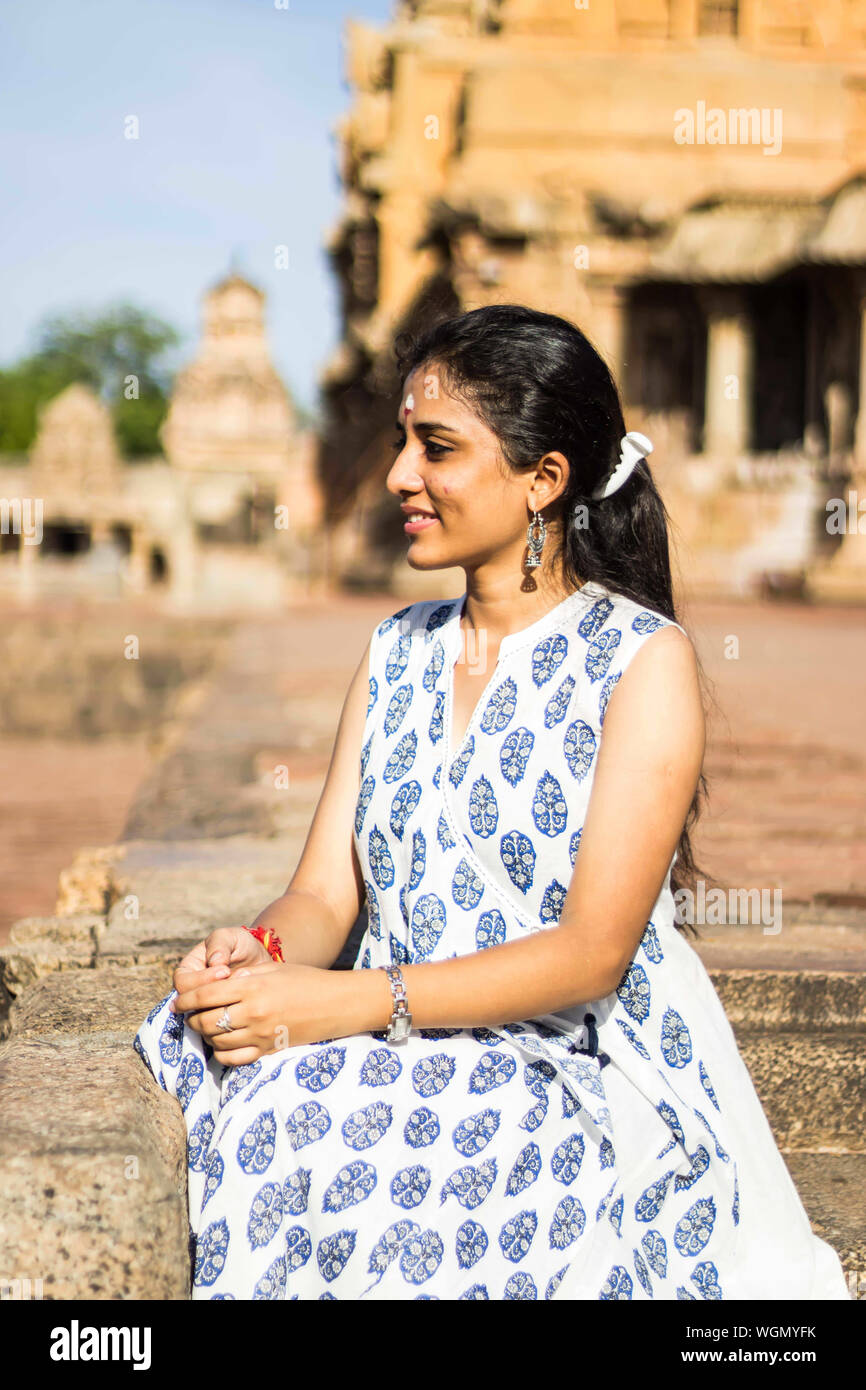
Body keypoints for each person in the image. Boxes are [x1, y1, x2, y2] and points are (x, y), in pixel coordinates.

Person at [134, 304, 850, 1301]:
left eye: (436, 448)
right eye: (399, 444)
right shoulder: (395, 649)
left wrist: (342, 1003)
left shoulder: (639, 662)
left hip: (565, 1057)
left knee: (324, 1130)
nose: (398, 478)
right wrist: (257, 956)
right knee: (226, 1066)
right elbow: (323, 897)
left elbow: (590, 952)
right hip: (390, 1030)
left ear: (542, 479)